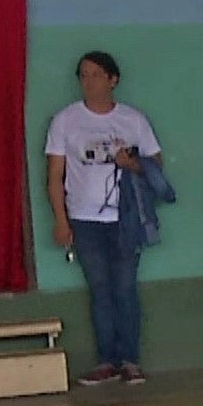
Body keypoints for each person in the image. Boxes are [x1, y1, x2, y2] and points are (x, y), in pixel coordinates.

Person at [46, 51, 164, 387]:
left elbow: (156, 165)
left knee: (125, 287)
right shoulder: (65, 120)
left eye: (97, 75)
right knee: (99, 289)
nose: (89, 81)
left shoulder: (132, 120)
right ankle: (106, 360)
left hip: (125, 217)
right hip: (83, 218)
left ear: (113, 79)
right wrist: (61, 220)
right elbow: (54, 175)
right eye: (83, 75)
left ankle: (129, 359)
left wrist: (131, 164)